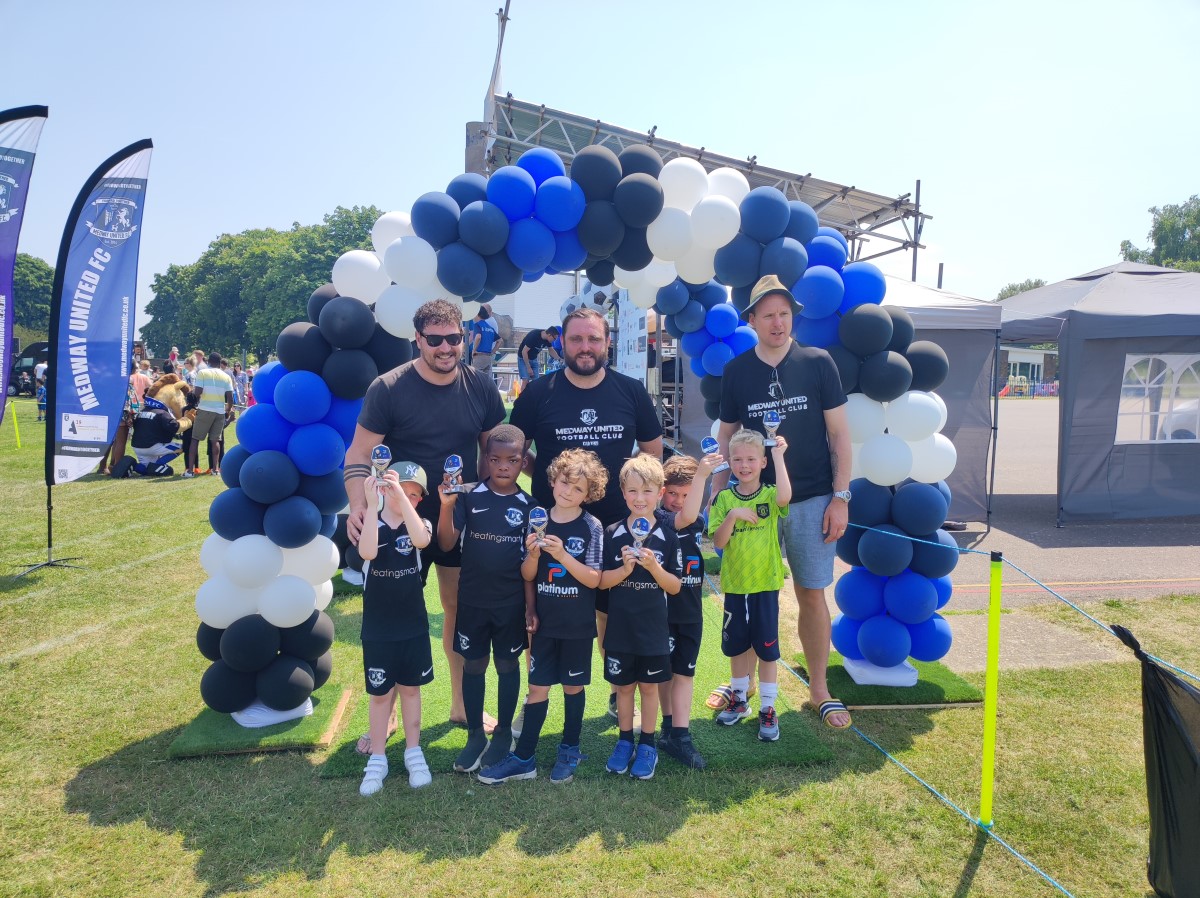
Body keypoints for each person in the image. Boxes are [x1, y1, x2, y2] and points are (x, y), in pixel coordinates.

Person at [344, 298, 507, 731]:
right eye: (434, 340)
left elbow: (494, 456)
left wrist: (493, 506)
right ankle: (386, 715)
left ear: (463, 336)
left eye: (453, 338)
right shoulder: (389, 387)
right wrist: (360, 506)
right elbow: (359, 454)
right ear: (417, 339)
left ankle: (461, 705)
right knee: (393, 615)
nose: (445, 347)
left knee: (458, 611)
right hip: (399, 522)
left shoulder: (481, 387)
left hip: (456, 520)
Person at [712, 274, 854, 731]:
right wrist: (718, 497)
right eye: (769, 314)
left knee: (811, 592)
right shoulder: (737, 371)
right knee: (751, 593)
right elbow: (726, 437)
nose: (778, 322)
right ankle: (745, 685)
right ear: (752, 320)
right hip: (753, 502)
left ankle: (819, 690)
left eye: (785, 313)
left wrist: (841, 498)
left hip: (812, 499)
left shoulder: (817, 362)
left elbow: (840, 435)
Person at [509, 306, 664, 718]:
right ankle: (535, 697)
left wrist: (642, 504)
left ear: (607, 342)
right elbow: (515, 453)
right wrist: (548, 482)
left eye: (594, 338)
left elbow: (652, 454)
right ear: (562, 342)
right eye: (576, 338)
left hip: (616, 527)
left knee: (611, 616)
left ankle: (618, 691)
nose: (585, 347)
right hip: (553, 526)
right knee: (543, 615)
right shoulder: (538, 393)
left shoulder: (631, 391)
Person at [476, 448, 607, 786]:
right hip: (545, 625)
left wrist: (562, 555)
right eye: (564, 482)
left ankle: (569, 749)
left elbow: (594, 579)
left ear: (588, 494)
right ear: (553, 480)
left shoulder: (592, 526)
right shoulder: (538, 519)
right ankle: (524, 759)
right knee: (537, 688)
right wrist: (534, 557)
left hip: (577, 626)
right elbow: (527, 574)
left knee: (573, 687)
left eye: (578, 488)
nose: (568, 492)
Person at [436, 424, 532, 774]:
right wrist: (446, 507)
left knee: (507, 665)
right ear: (486, 460)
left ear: (523, 462)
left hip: (510, 604)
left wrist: (530, 608)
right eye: (495, 459)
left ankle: (503, 732)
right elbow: (446, 543)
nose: (503, 466)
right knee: (474, 665)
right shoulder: (469, 495)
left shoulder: (530, 507)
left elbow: (531, 565)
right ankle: (476, 735)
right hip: (473, 602)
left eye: (512, 460)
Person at [600, 455, 682, 780]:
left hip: (652, 631)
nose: (639, 498)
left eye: (647, 491)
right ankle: (624, 741)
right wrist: (624, 570)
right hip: (620, 629)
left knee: (649, 689)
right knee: (623, 689)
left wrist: (654, 567)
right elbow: (602, 582)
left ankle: (647, 744)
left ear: (660, 493)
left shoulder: (668, 536)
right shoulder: (612, 533)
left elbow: (675, 586)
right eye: (633, 491)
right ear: (623, 493)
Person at [355, 462, 435, 795]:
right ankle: (378, 758)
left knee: (411, 690)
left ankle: (413, 752)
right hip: (378, 629)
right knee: (379, 695)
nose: (408, 498)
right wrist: (373, 505)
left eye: (415, 495)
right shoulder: (370, 523)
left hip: (412, 626)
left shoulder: (420, 522)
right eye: (401, 489)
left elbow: (421, 540)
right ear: (383, 489)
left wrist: (402, 499)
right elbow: (367, 551)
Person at [709, 428, 792, 740]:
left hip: (764, 585)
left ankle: (768, 708)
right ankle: (739, 699)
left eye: (751, 459)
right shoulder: (724, 499)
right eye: (737, 459)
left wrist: (779, 456)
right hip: (735, 585)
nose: (744, 465)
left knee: (767, 651)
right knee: (737, 646)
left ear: (762, 462)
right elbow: (718, 541)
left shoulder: (770, 494)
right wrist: (733, 515)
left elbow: (785, 497)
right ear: (730, 462)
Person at [656, 449, 723, 769]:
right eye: (673, 493)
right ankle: (667, 726)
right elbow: (681, 518)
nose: (679, 501)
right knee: (664, 672)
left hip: (690, 610)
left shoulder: (698, 520)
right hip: (662, 611)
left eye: (686, 495)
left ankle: (680, 735)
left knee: (684, 672)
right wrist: (701, 476)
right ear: (661, 492)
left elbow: (694, 516)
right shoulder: (660, 519)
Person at [187, 352, 234, 477]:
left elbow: (197, 392)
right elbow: (230, 398)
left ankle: (190, 470)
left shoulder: (202, 373)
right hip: (219, 411)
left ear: (208, 361)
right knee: (215, 441)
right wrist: (227, 411)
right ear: (220, 362)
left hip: (205, 409)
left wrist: (193, 395)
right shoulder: (226, 376)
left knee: (195, 439)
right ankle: (215, 469)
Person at [99, 363, 152, 475]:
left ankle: (105, 466)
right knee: (120, 442)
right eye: (136, 367)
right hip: (122, 414)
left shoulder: (113, 379)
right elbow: (127, 401)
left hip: (111, 413)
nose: (137, 369)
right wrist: (129, 416)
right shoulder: (127, 381)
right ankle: (117, 468)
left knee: (111, 442)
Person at [517, 325, 561, 390]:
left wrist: (560, 359)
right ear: (549, 335)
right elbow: (524, 351)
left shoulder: (547, 340)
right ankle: (523, 396)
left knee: (536, 382)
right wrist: (528, 367)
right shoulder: (534, 336)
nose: (554, 341)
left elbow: (551, 350)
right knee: (525, 381)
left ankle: (533, 396)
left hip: (533, 359)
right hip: (523, 359)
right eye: (554, 338)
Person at [470, 304, 500, 379]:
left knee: (476, 379)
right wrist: (492, 352)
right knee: (487, 380)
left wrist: (474, 350)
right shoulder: (489, 327)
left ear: (477, 314)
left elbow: (478, 337)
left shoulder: (477, 325)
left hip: (479, 356)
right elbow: (500, 341)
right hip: (488, 357)